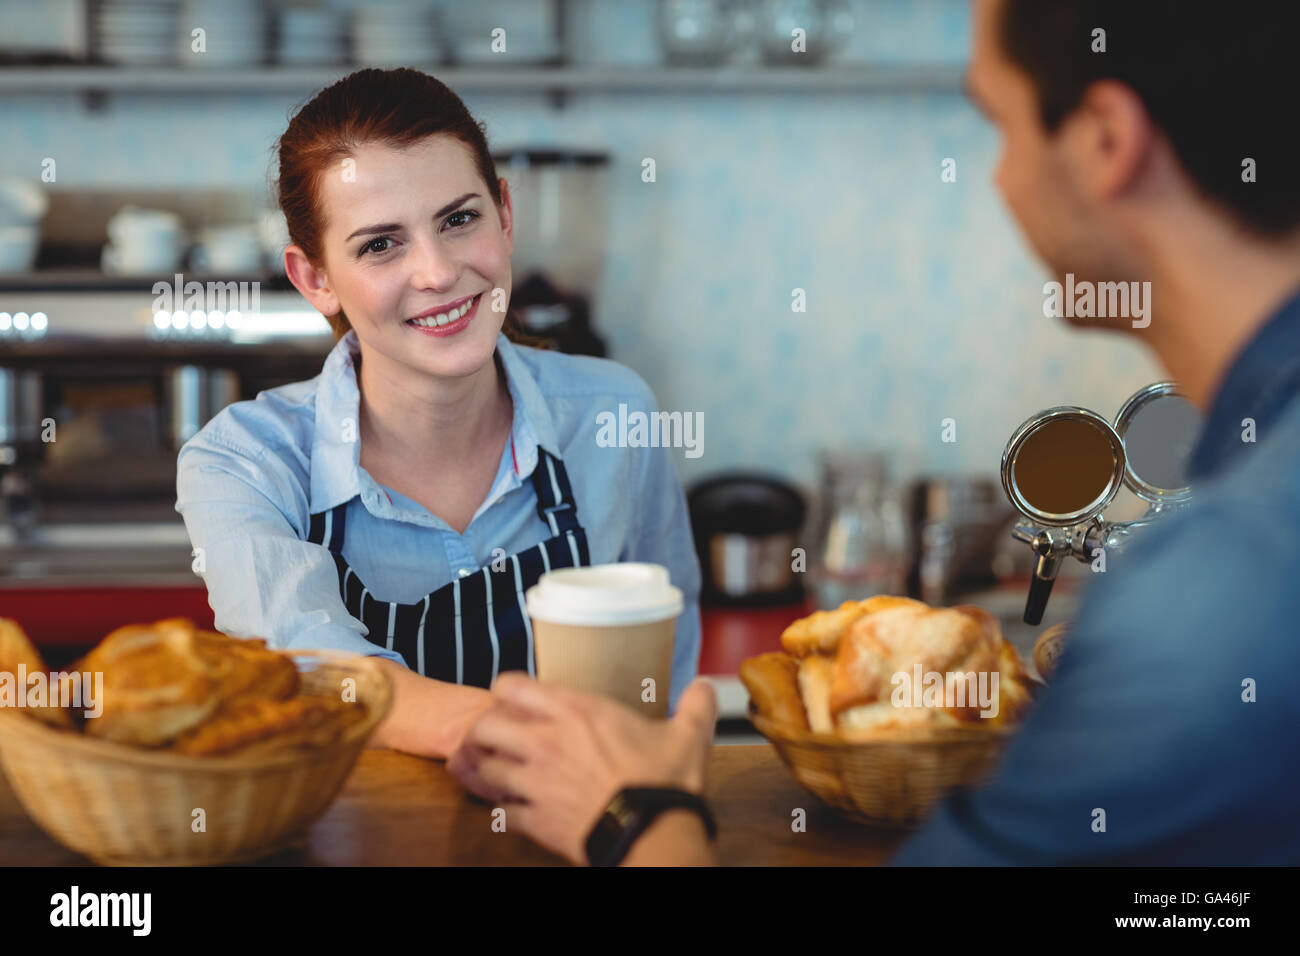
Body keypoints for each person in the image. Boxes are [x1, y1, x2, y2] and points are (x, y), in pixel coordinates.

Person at [449, 0, 1300, 865]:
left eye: (998, 127)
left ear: (1107, 143)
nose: (1000, 180)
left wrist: (632, 816)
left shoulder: (1221, 580)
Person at [174, 69, 702, 760]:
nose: (437, 272)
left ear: (505, 215)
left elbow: (661, 666)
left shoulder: (615, 413)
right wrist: (547, 747)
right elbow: (317, 670)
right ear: (316, 279)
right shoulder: (243, 462)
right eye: (380, 244)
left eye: (459, 219)